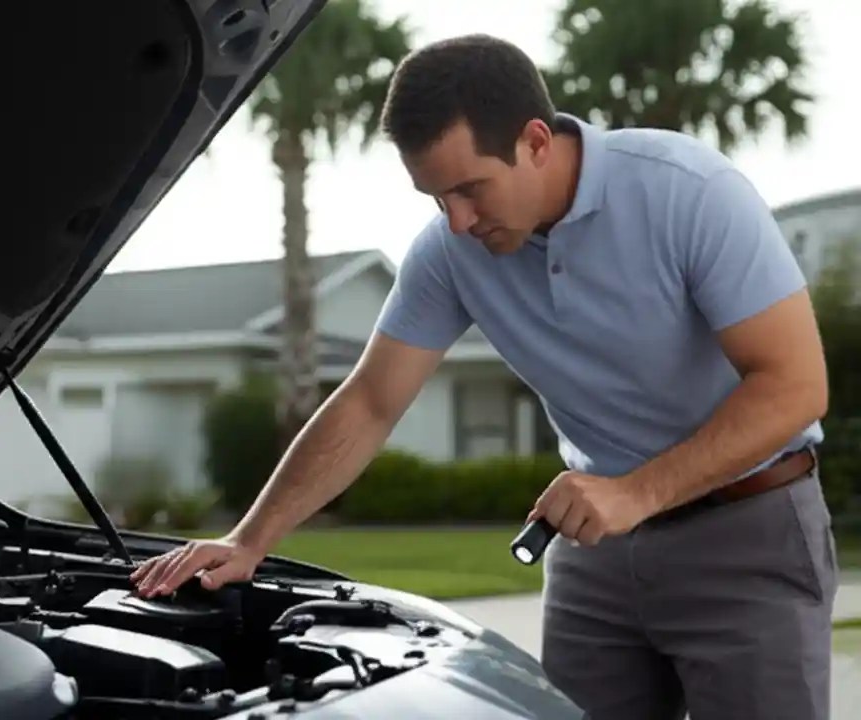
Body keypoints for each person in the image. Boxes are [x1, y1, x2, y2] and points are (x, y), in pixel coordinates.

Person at [130, 33, 837, 719]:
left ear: (535, 141)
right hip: (596, 554)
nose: (458, 222)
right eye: (436, 198)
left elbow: (793, 386)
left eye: (471, 189)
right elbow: (371, 402)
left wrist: (636, 492)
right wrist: (251, 538)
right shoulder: (450, 252)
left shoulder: (689, 192)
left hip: (747, 533)